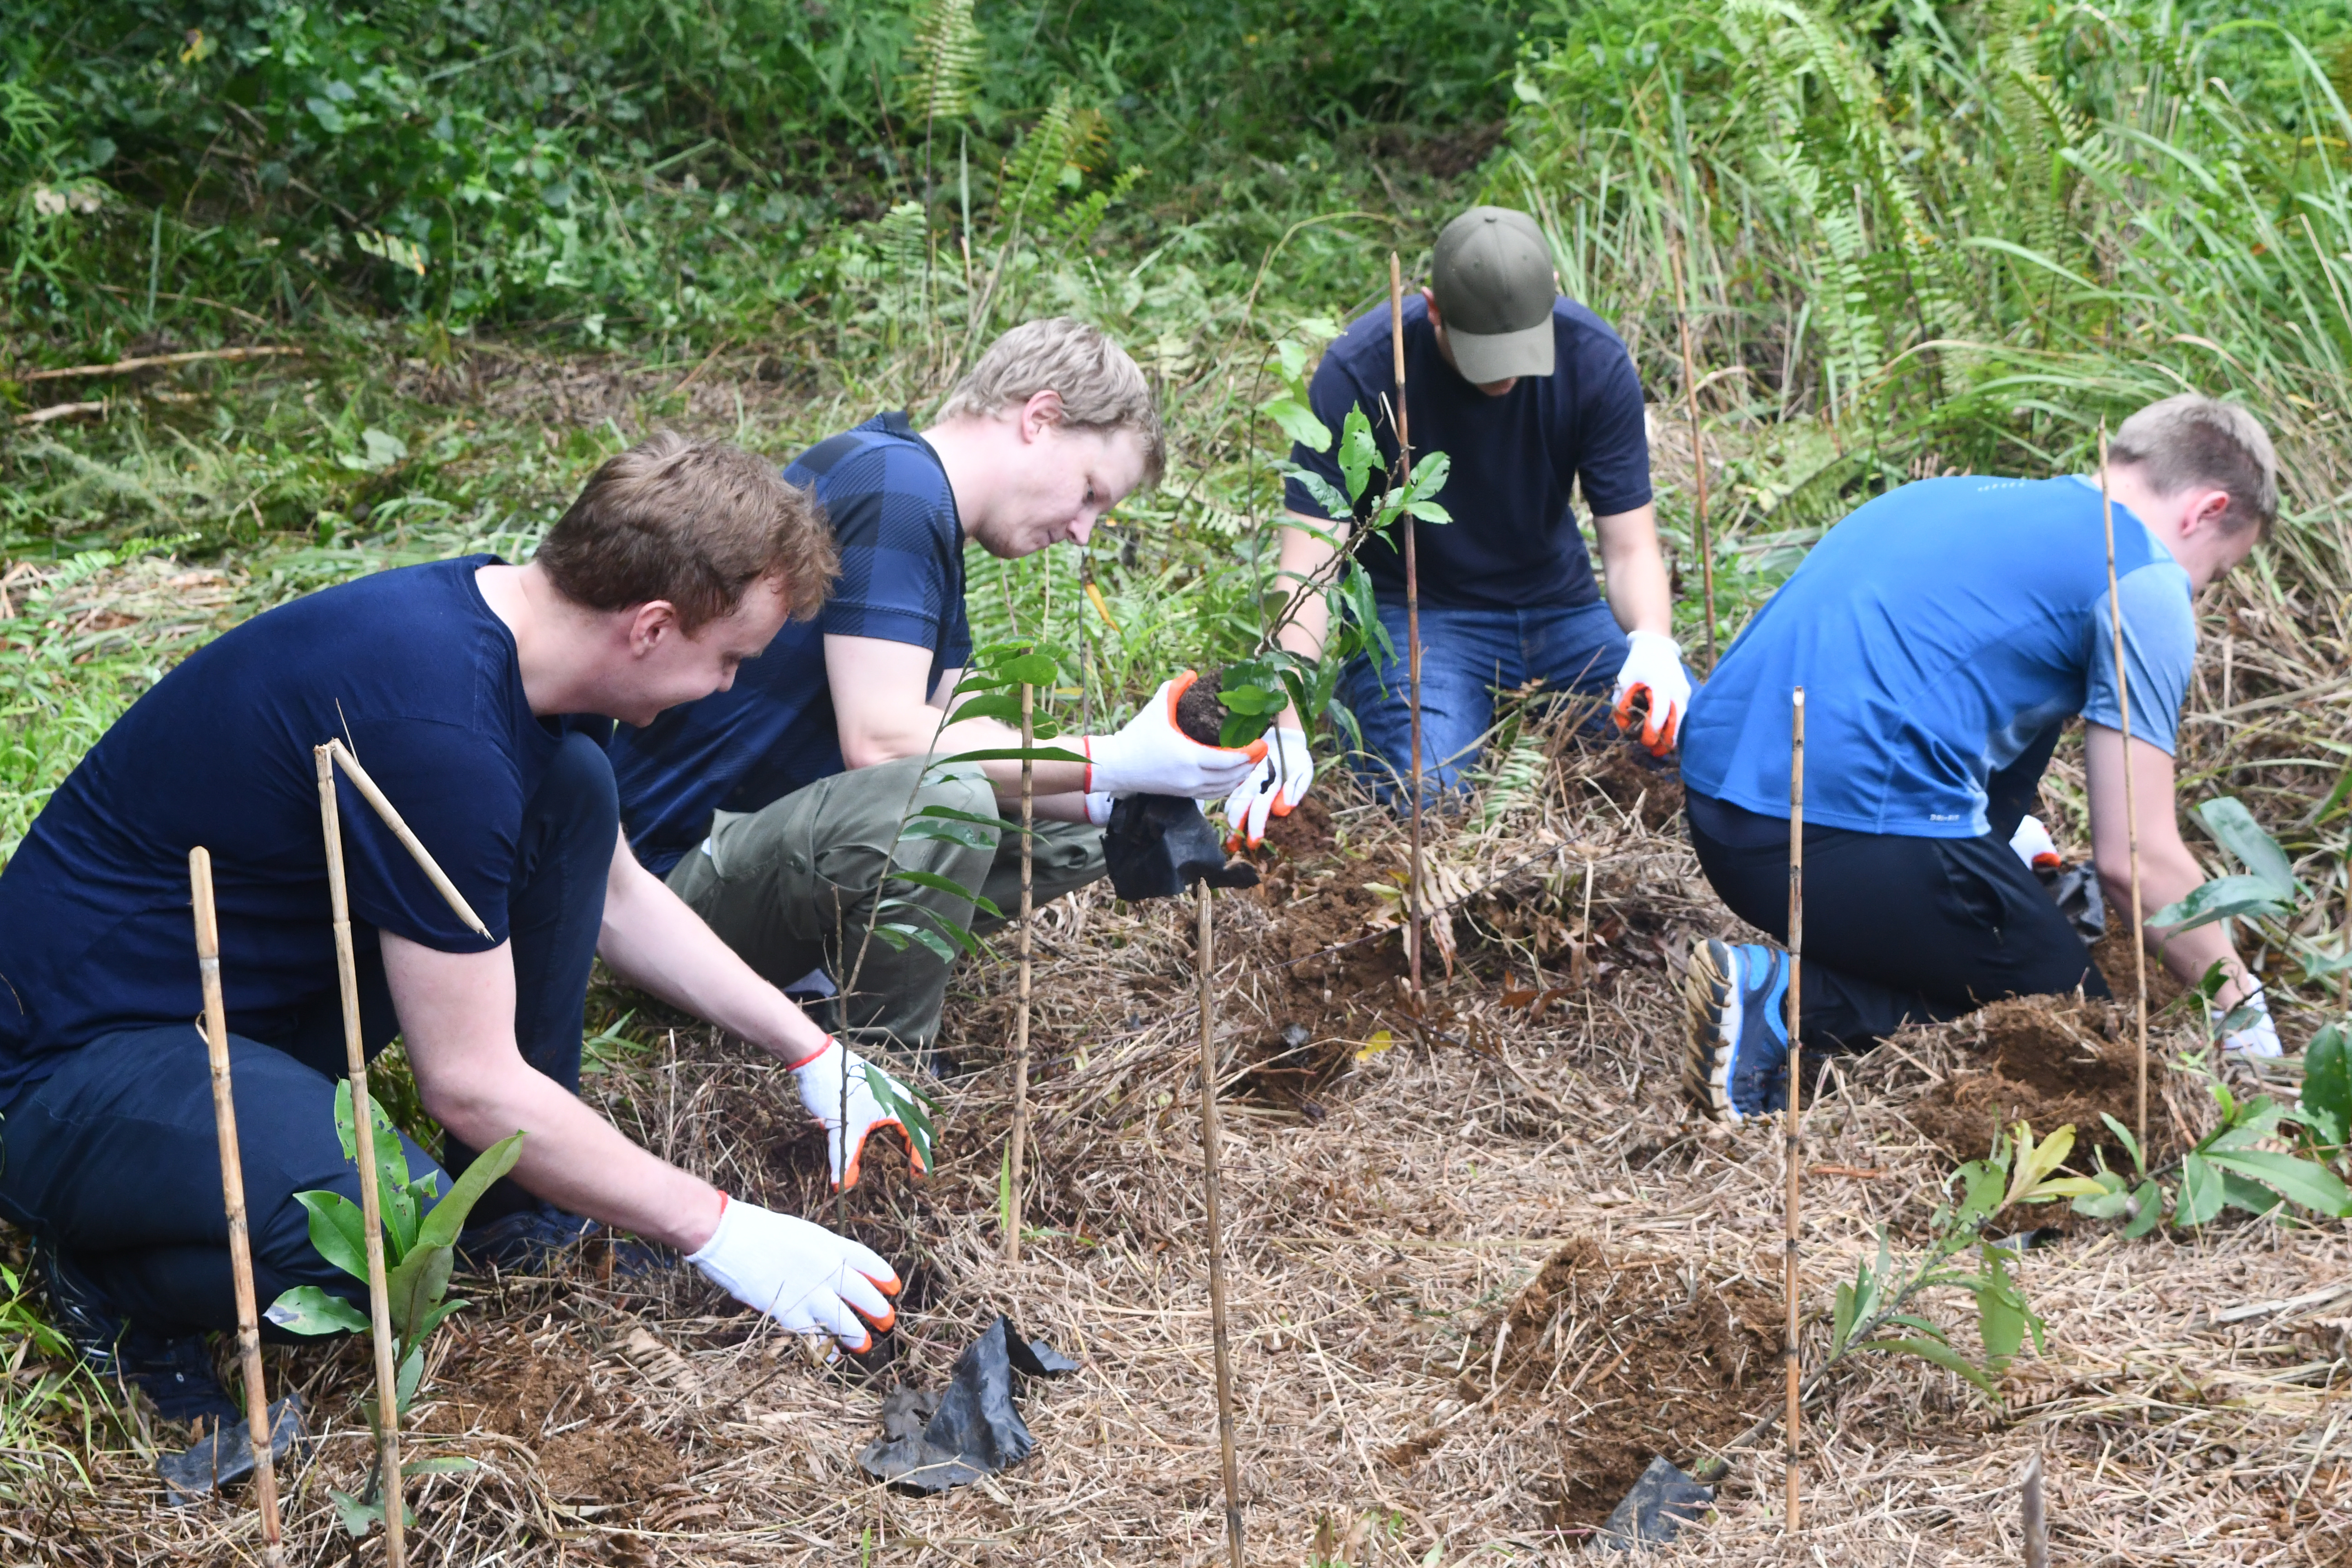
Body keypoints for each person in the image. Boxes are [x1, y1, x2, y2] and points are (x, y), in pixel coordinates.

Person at [0, 436, 925, 1422]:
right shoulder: (442, 735)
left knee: (573, 793)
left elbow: (615, 893)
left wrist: (809, 1049)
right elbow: (468, 1079)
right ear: (652, 627)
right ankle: (121, 1290)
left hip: (240, 1006)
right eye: (730, 657)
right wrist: (721, 1228)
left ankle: (519, 1212)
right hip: (73, 1065)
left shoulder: (527, 644)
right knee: (392, 1242)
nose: (729, 687)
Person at [608, 318, 1262, 1061]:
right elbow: (883, 740)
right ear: (1039, 418)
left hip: (740, 870)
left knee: (1094, 816)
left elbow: (966, 734)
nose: (1084, 532)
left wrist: (1161, 783)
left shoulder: (924, 513)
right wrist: (1109, 756)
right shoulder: (897, 486)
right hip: (660, 896)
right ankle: (877, 1059)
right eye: (1089, 493)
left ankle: (822, 972)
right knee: (949, 798)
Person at [1677, 395, 2283, 1123]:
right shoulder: (2140, 578)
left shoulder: (1954, 497)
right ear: (2206, 509)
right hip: (1837, 839)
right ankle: (1786, 1007)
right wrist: (2238, 1007)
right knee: (2079, 1037)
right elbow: (2135, 857)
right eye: (2212, 575)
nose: (2196, 595)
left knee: (2016, 953)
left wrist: (1995, 842)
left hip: (1722, 821)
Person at [1235, 204, 1690, 841]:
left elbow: (1629, 548)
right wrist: (1281, 726)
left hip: (1561, 610)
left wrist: (1651, 643)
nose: (1503, 373)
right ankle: (1377, 704)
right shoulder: (1361, 372)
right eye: (1482, 351)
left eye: (1518, 350)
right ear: (1432, 309)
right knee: (1425, 795)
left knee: (1685, 745)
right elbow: (1308, 565)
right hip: (1420, 613)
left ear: (1553, 297)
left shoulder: (1592, 360)